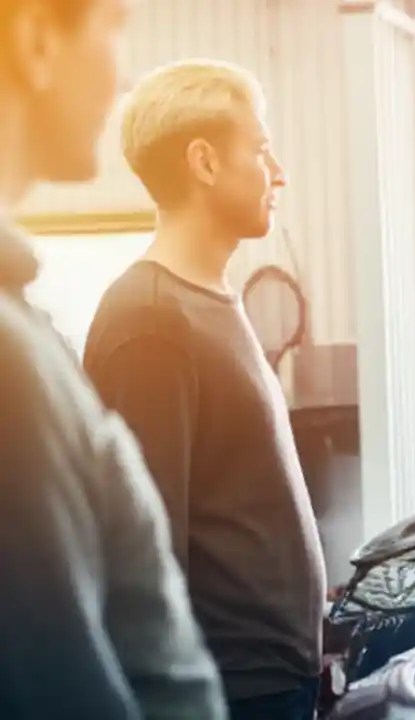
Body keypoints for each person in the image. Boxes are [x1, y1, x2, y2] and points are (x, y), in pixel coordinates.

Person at [0, 1, 227, 718]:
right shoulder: (12, 368)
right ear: (37, 39)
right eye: (112, 28)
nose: (123, 73)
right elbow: (56, 691)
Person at [81, 59, 325, 719]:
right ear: (205, 162)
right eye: (261, 150)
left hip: (273, 680)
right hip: (229, 691)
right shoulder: (150, 320)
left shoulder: (210, 301)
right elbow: (147, 552)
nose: (278, 174)